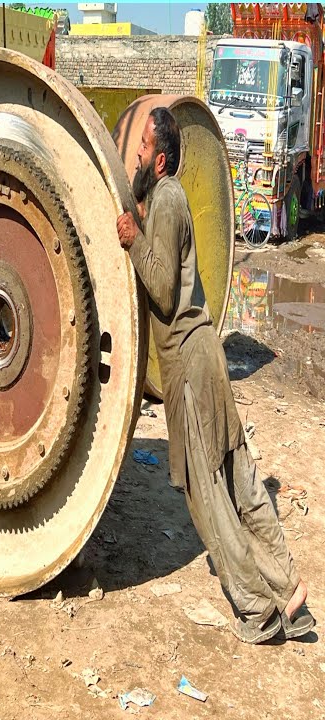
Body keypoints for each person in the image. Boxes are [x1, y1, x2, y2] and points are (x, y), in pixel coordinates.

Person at [116, 107, 313, 644]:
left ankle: (255, 608)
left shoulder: (169, 198)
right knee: (242, 478)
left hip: (186, 362)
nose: (134, 157)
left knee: (206, 494)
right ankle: (290, 593)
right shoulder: (166, 199)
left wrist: (132, 239)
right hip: (207, 354)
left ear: (159, 160)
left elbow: (158, 288)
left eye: (139, 151)